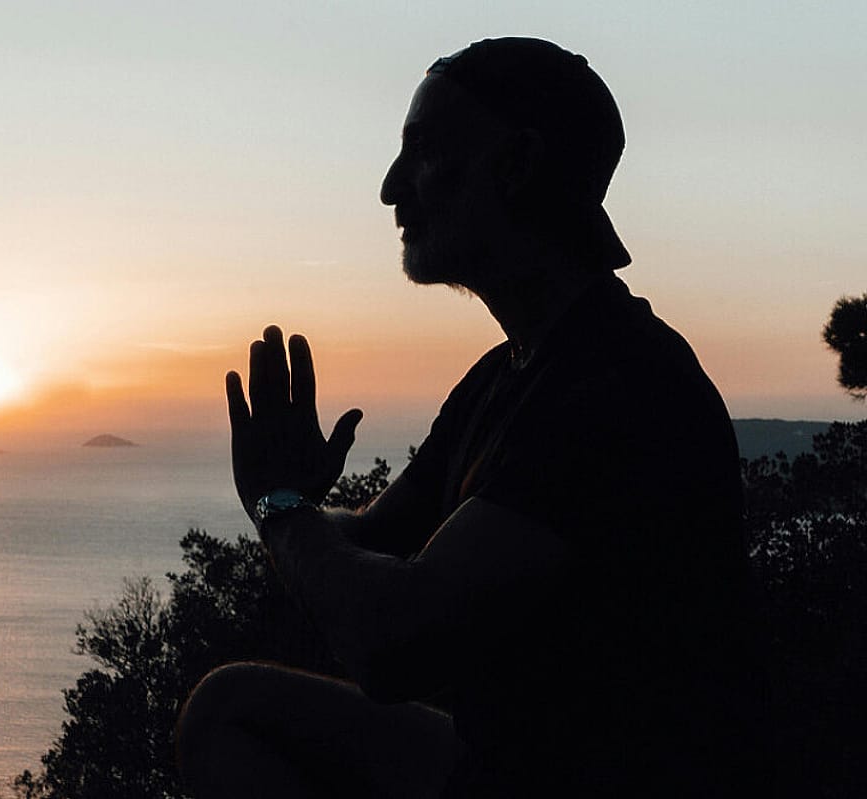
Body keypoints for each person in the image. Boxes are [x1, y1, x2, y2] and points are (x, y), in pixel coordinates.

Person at [175, 37, 770, 798]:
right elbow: (366, 544)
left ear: (516, 164)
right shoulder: (511, 372)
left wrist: (283, 510)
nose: (391, 188)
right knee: (227, 711)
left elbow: (391, 642)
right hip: (511, 764)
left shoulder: (616, 387)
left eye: (422, 152)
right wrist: (288, 501)